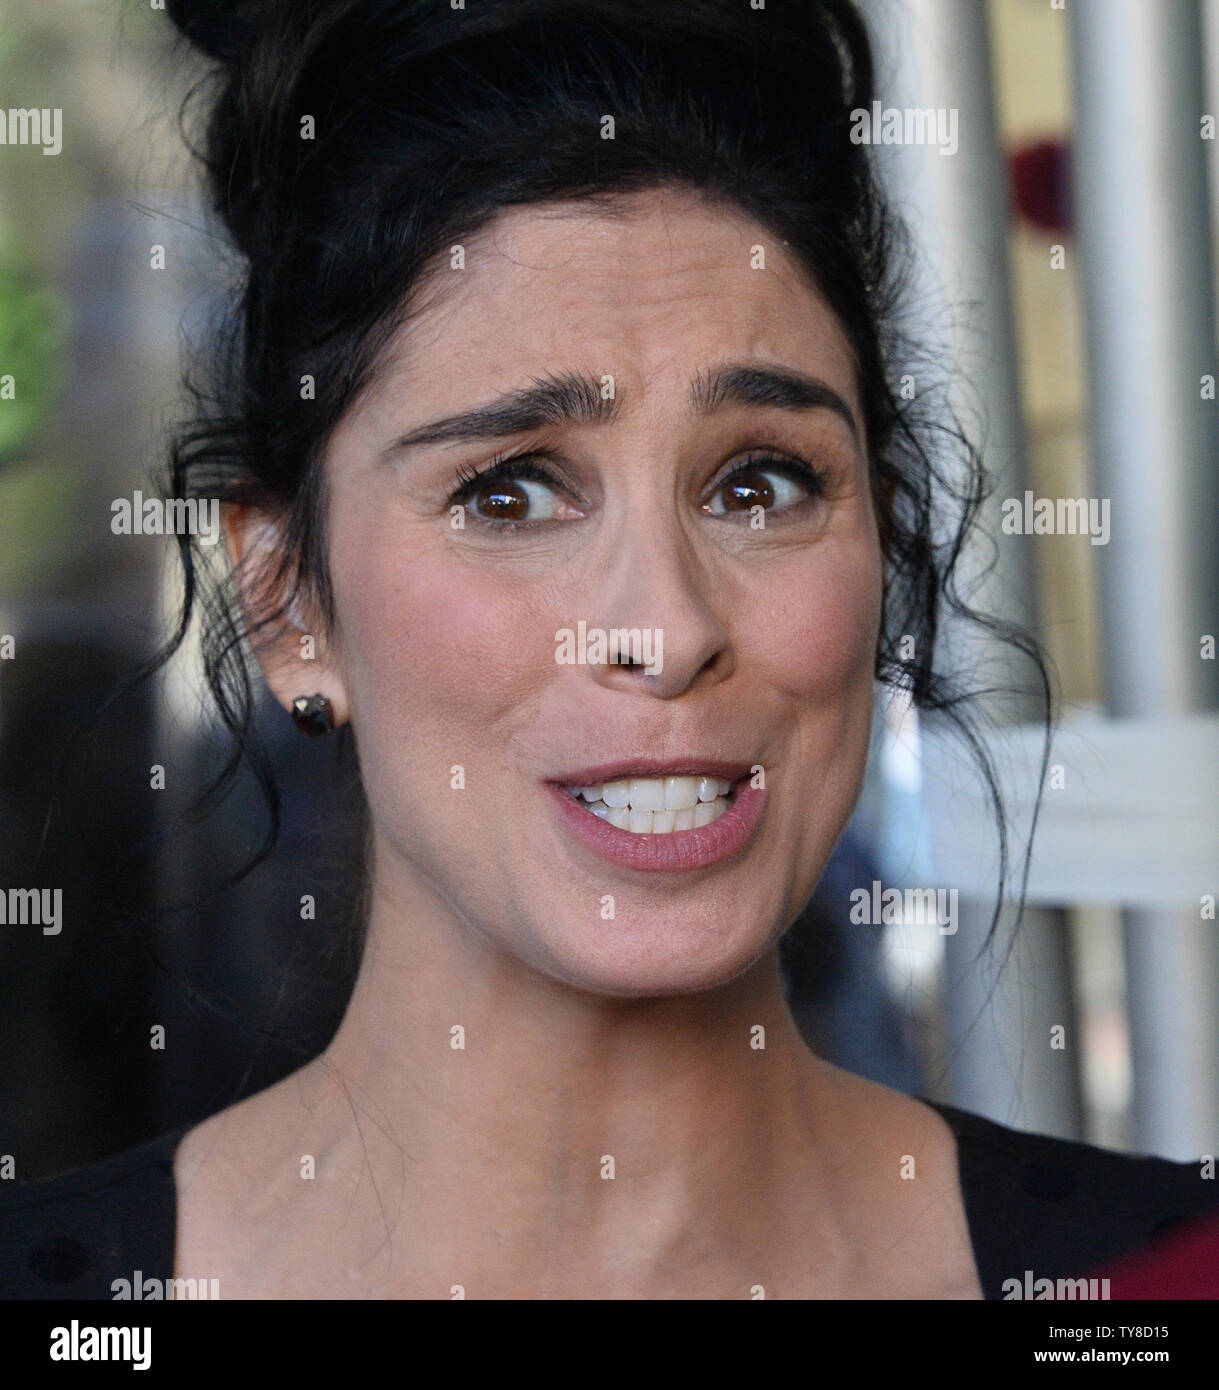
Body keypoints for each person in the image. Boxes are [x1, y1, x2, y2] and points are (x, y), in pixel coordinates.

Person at [4, 0, 1217, 1300]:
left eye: (761, 484)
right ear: (289, 599)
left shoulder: (1155, 1290)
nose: (667, 628)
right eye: (512, 491)